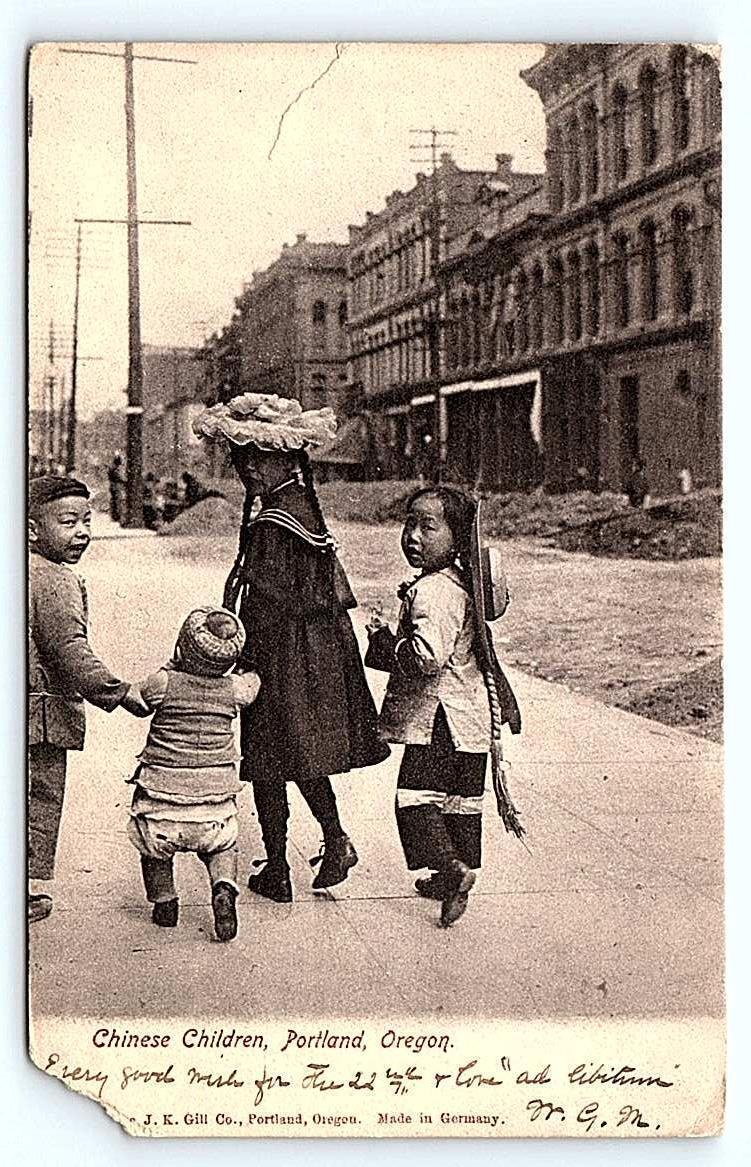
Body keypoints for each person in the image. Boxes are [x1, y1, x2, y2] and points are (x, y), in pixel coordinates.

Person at [193, 392, 389, 903]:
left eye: (259, 459)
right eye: (243, 460)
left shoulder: (276, 520)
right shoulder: (295, 509)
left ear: (287, 459)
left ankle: (285, 864)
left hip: (281, 654)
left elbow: (271, 598)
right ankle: (324, 844)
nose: (249, 470)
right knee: (293, 752)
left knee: (269, 754)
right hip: (308, 653)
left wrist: (243, 653)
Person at [365, 486, 519, 928]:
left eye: (427, 527)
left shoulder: (434, 591)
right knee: (459, 802)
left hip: (439, 719)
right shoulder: (457, 585)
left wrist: (385, 644)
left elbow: (427, 657)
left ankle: (451, 870)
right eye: (409, 524)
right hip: (470, 718)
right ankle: (451, 876)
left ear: (457, 537)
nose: (413, 536)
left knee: (414, 800)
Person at [28, 475, 146, 923]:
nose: (82, 532)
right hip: (38, 719)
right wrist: (120, 693)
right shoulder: (54, 579)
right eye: (68, 522)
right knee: (37, 800)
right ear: (32, 529)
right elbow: (70, 652)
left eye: (86, 521)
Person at [126, 608, 260, 942]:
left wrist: (170, 667)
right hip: (213, 805)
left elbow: (138, 700)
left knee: (153, 852)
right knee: (222, 848)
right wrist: (247, 670)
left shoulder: (163, 683)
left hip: (162, 803)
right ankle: (223, 888)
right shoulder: (234, 689)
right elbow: (252, 684)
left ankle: (165, 903)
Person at [107, 454, 126, 524]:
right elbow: (119, 478)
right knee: (117, 501)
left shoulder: (112, 468)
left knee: (114, 501)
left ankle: (114, 516)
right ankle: (117, 516)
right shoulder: (115, 469)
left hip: (113, 486)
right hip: (116, 487)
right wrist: (125, 481)